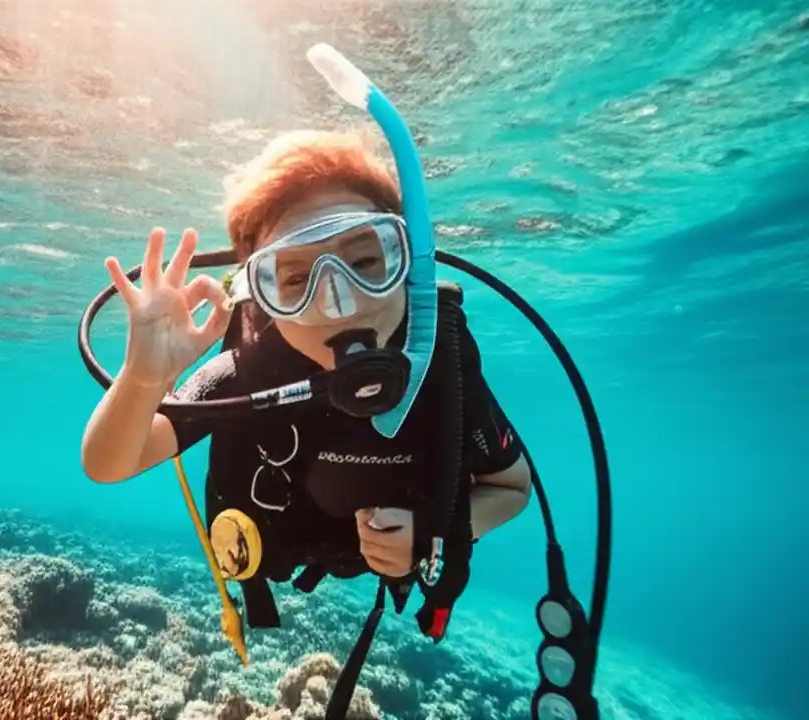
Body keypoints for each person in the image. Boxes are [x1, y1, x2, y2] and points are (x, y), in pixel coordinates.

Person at [82, 129, 531, 587]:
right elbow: (109, 463)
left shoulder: (442, 364)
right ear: (258, 296)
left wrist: (431, 537)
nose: (342, 304)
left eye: (365, 263)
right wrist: (142, 378)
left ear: (409, 261)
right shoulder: (253, 372)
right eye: (296, 281)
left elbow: (512, 488)